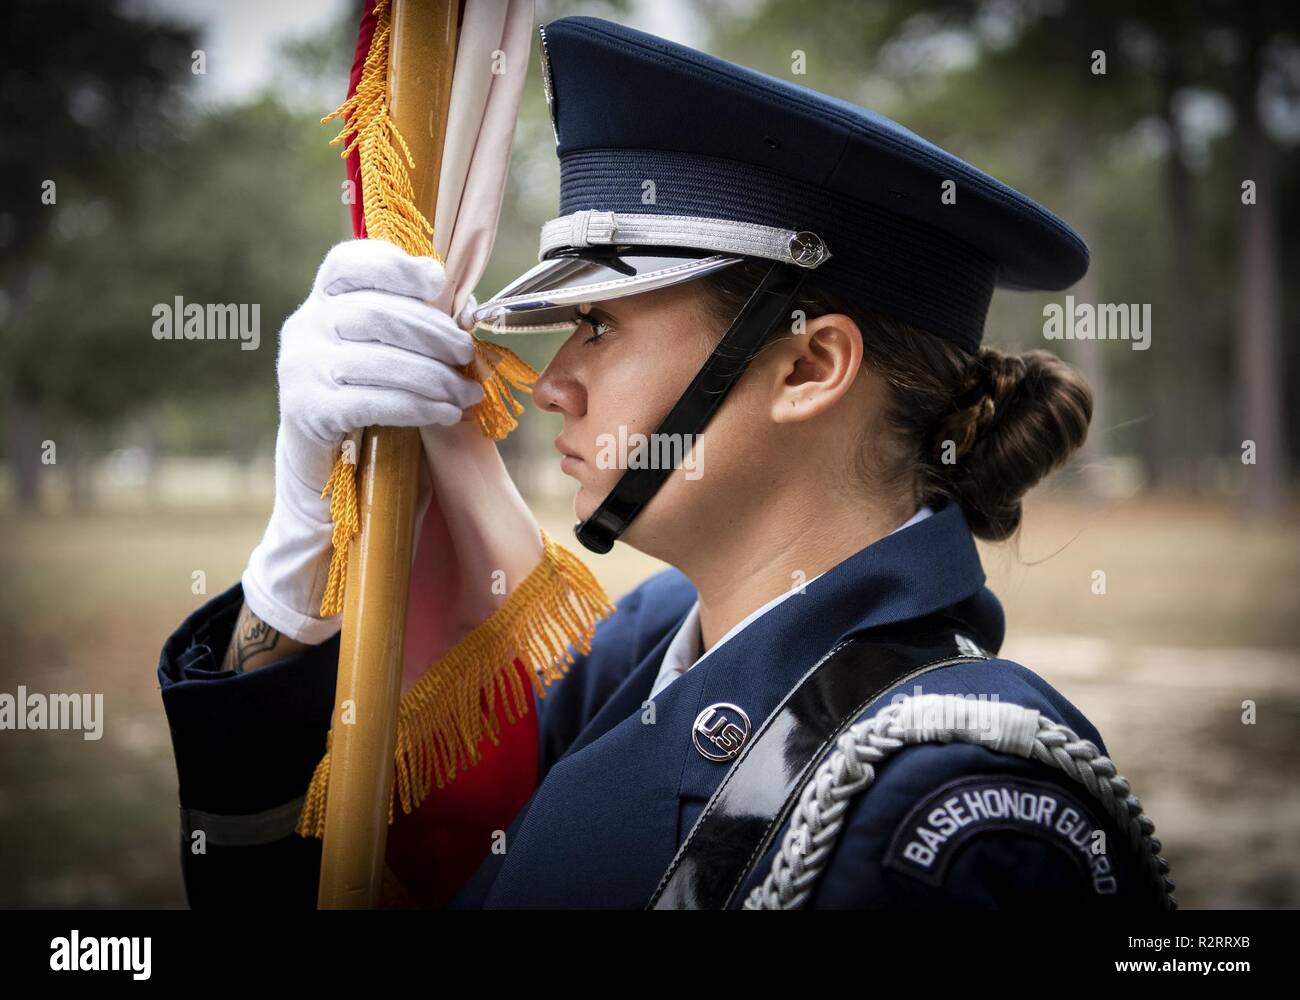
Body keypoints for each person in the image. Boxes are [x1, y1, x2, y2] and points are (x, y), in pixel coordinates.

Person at [156, 16, 1173, 909]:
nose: (551, 385)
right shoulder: (648, 648)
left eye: (598, 326)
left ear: (809, 365)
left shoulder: (961, 813)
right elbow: (314, 877)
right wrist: (300, 559)